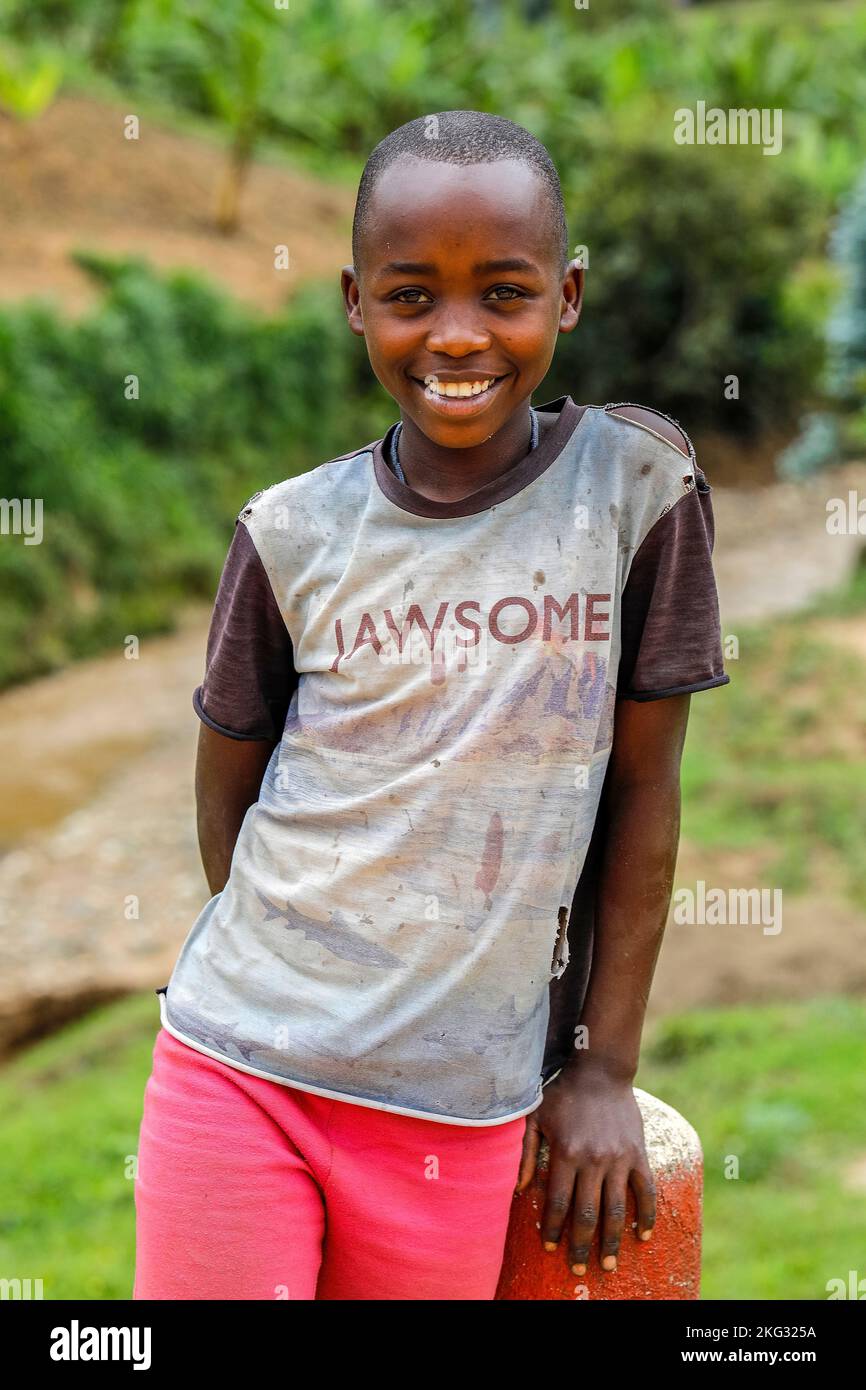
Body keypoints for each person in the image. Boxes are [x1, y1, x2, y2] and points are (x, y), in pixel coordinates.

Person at [133, 109, 729, 1301]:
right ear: (356, 300)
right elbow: (229, 786)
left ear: (564, 294)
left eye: (500, 292)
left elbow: (643, 789)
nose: (456, 335)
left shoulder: (635, 493)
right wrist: (317, 984)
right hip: (240, 1064)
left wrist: (601, 1068)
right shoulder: (291, 530)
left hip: (454, 1111)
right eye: (412, 295)